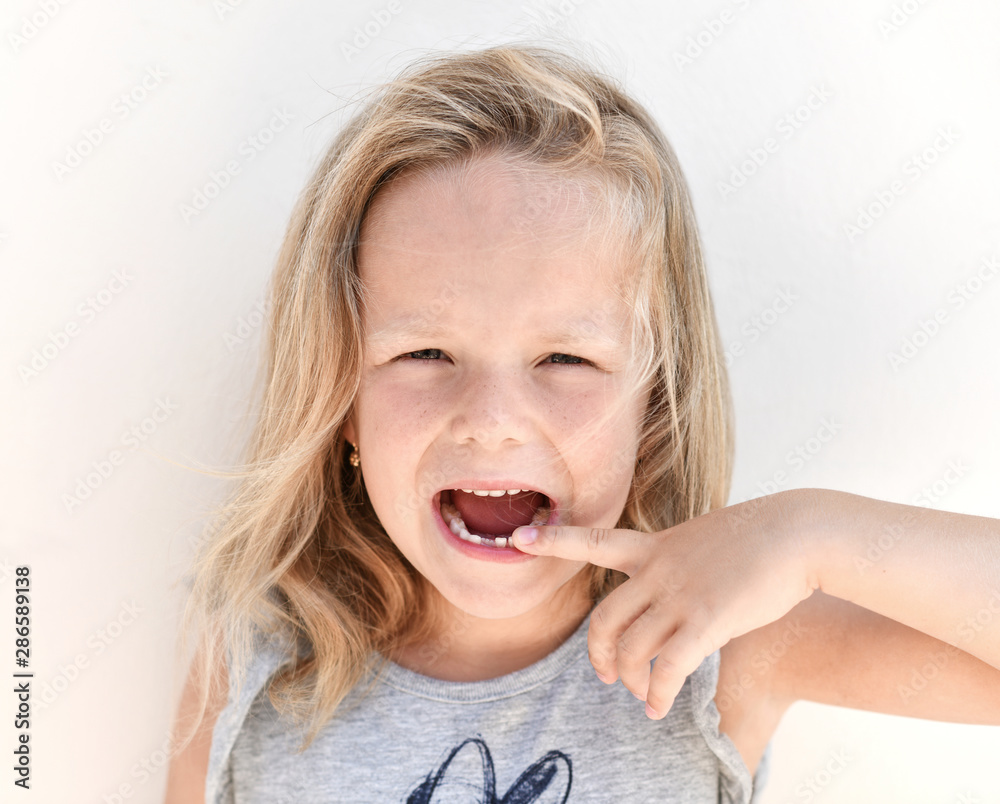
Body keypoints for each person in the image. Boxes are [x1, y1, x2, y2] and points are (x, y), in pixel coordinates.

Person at [164, 42, 1000, 803]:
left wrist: (813, 535)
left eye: (565, 361)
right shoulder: (255, 659)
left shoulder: (722, 648)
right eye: (423, 353)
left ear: (656, 404)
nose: (489, 421)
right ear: (341, 399)